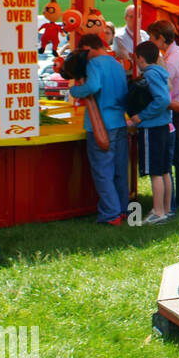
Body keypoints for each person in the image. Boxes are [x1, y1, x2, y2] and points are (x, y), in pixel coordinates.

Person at [67, 33, 129, 226]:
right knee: (120, 170)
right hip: (119, 122)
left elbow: (93, 86)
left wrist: (75, 91)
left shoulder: (94, 64)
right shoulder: (117, 64)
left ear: (87, 49)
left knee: (103, 171)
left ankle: (111, 214)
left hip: (100, 125)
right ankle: (123, 209)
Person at [147, 19, 179, 209]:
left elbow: (163, 87)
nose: (151, 43)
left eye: (152, 39)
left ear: (161, 39)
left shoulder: (171, 60)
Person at [127, 40, 173, 224]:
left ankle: (158, 212)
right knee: (164, 171)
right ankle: (167, 209)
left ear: (140, 58)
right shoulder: (161, 72)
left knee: (155, 171)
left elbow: (161, 100)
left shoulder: (151, 74)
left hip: (152, 127)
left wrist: (141, 116)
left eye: (136, 58)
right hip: (163, 126)